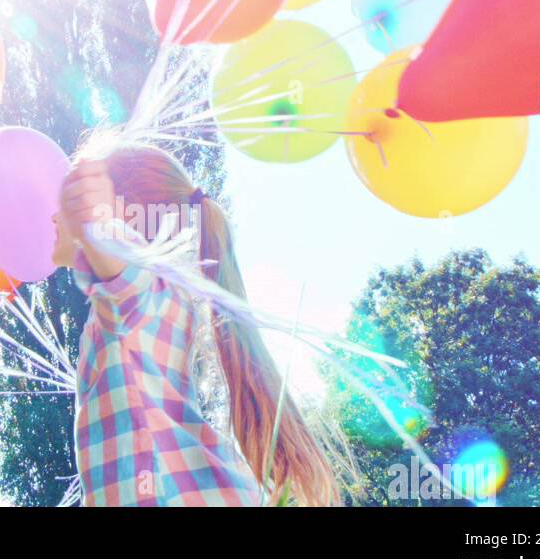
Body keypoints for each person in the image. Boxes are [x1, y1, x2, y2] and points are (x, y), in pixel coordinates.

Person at [52, 143, 342, 506]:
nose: (53, 214)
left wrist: (97, 225)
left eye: (65, 194)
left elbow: (129, 275)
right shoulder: (152, 303)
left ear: (122, 215)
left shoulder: (146, 290)